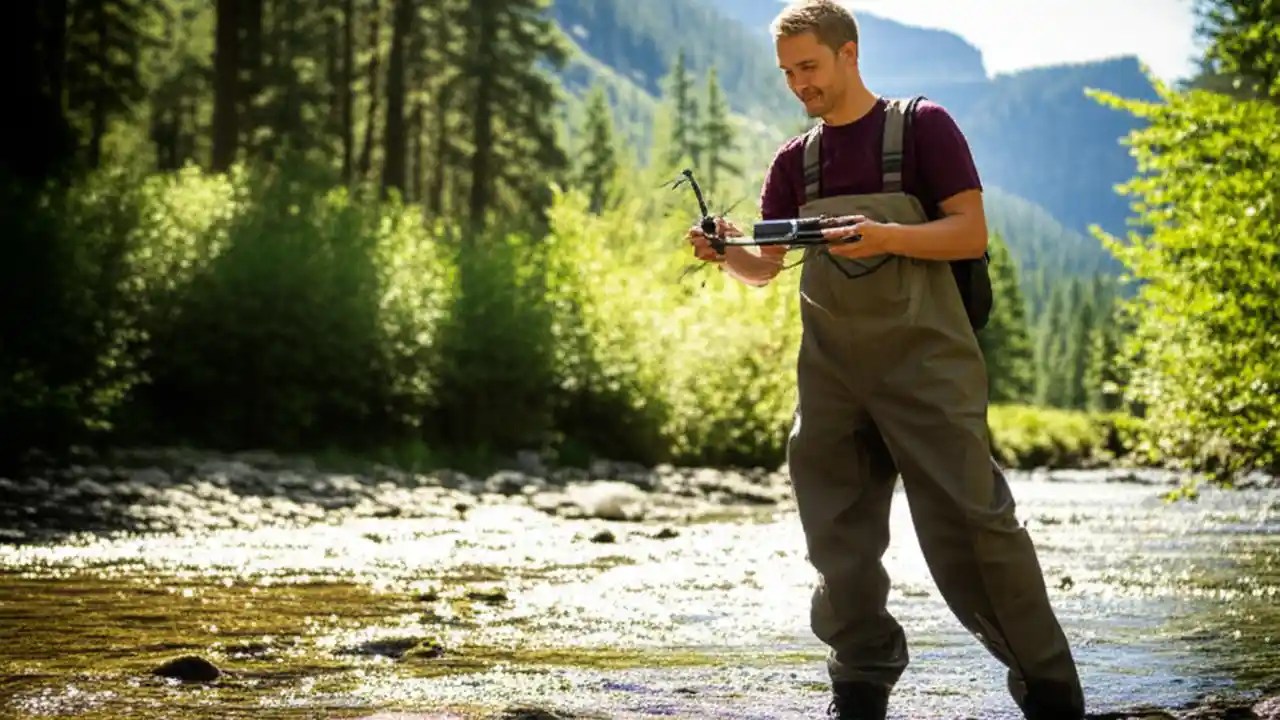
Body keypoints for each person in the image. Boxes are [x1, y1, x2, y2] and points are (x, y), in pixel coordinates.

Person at [685, 2, 1087, 719]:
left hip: (929, 364)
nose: (798, 84)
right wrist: (725, 253)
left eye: (808, 66)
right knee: (835, 536)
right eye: (787, 73)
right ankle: (860, 684)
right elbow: (764, 266)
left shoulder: (921, 126)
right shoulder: (794, 159)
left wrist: (886, 236)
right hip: (832, 373)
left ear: (849, 53)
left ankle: (1050, 690)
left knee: (975, 529)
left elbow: (968, 234)